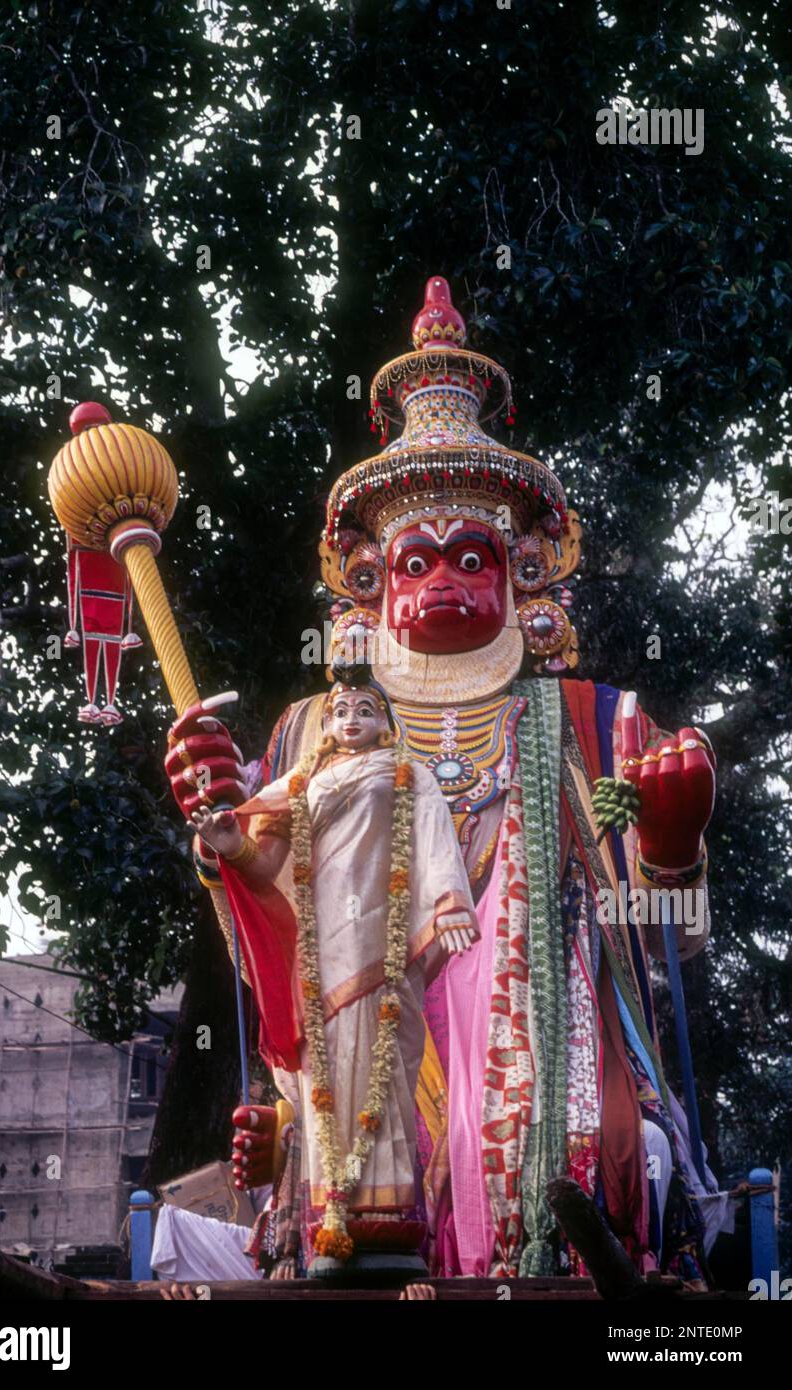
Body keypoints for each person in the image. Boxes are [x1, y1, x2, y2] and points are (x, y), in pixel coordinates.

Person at [166, 277, 716, 1281]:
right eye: (414, 563)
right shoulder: (309, 734)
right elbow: (262, 951)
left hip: (555, 1072)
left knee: (600, 1146)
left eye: (473, 556)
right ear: (370, 581)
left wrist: (674, 851)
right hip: (374, 1068)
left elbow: (675, 938)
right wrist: (218, 829)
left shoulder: (596, 720)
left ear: (525, 573)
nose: (443, 583)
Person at [192, 667, 477, 1273]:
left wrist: (451, 902)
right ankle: (332, 1223)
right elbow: (264, 853)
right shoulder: (303, 781)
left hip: (383, 937)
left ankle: (391, 1228)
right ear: (326, 725)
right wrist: (226, 839)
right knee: (326, 1075)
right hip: (322, 946)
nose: (350, 720)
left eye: (365, 711)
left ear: (385, 723)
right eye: (340, 711)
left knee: (384, 1067)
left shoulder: (408, 773)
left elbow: (433, 839)